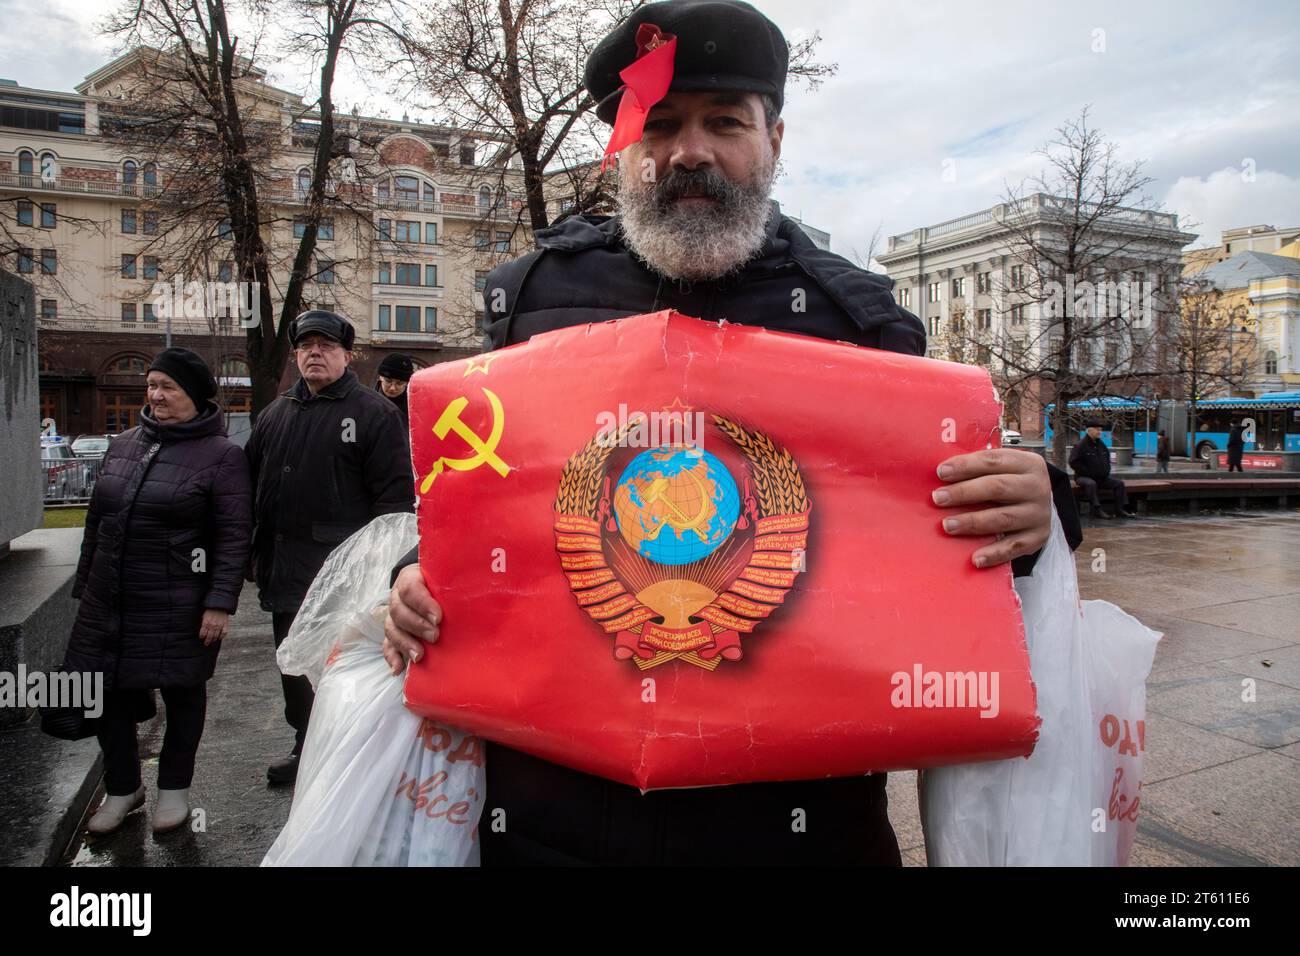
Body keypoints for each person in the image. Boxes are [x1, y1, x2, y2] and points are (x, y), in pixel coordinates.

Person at [382, 0, 1082, 866]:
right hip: (558, 821)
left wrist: (1038, 508)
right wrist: (416, 574)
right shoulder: (531, 303)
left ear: (775, 141)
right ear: (625, 148)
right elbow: (475, 505)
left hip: (794, 827)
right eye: (661, 124)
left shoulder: (859, 322)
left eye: (725, 122)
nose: (690, 152)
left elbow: (937, 538)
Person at [68, 347, 251, 835]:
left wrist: (219, 603)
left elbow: (233, 536)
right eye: (151, 385)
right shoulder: (123, 443)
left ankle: (174, 790)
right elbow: (96, 520)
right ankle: (123, 788)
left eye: (167, 387)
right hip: (109, 599)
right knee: (104, 694)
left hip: (178, 601)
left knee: (183, 693)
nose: (156, 394)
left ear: (193, 395)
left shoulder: (223, 456)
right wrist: (85, 584)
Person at [246, 310, 414, 785]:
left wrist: (385, 573)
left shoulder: (373, 414)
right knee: (294, 670)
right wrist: (251, 555)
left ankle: (352, 759)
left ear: (346, 355)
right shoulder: (275, 414)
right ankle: (306, 750)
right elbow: (250, 487)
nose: (314, 353)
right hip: (285, 571)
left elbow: (396, 505)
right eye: (305, 346)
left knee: (345, 675)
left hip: (345, 582)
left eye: (325, 346)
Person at [1070, 420, 1135, 518]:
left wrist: (1106, 470)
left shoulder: (1101, 444)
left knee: (1119, 484)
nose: (1099, 432)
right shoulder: (1080, 445)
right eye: (1097, 430)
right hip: (1083, 477)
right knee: (1091, 484)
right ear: (1089, 431)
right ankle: (1097, 509)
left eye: (1100, 430)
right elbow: (1073, 462)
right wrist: (1087, 472)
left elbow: (1106, 458)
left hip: (1101, 477)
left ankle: (1120, 509)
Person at [375, 353, 414, 432]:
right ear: (381, 377)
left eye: (399, 383)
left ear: (406, 383)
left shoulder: (414, 407)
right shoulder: (366, 403)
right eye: (388, 381)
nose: (392, 388)